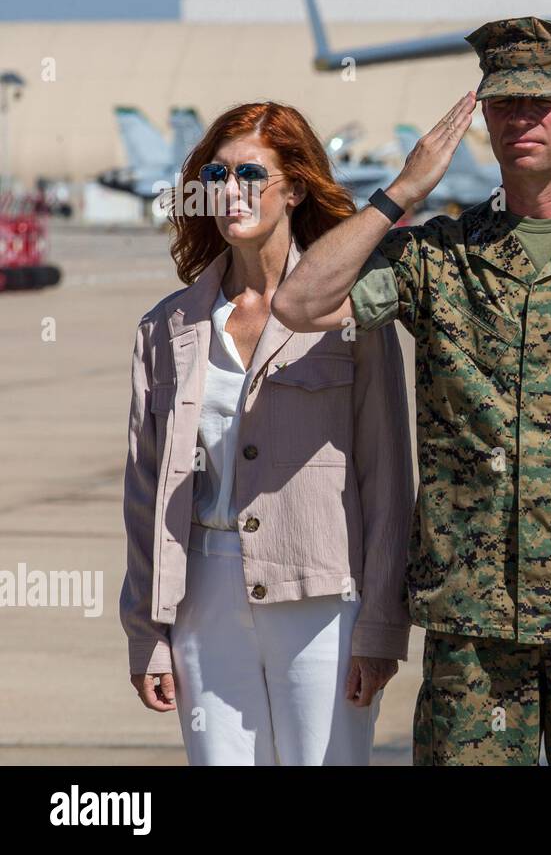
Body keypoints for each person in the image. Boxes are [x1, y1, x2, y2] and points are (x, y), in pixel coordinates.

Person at [272, 17, 551, 766]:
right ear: (482, 116)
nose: (522, 120)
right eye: (505, 103)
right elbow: (299, 302)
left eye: (542, 102)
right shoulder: (438, 257)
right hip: (473, 617)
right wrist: (401, 192)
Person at [120, 101, 414, 765]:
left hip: (321, 596)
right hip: (201, 599)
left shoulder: (352, 319)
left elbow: (388, 478)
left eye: (251, 174)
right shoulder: (166, 328)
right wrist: (147, 631)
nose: (230, 191)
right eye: (216, 175)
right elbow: (144, 493)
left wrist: (381, 625)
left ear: (296, 188)